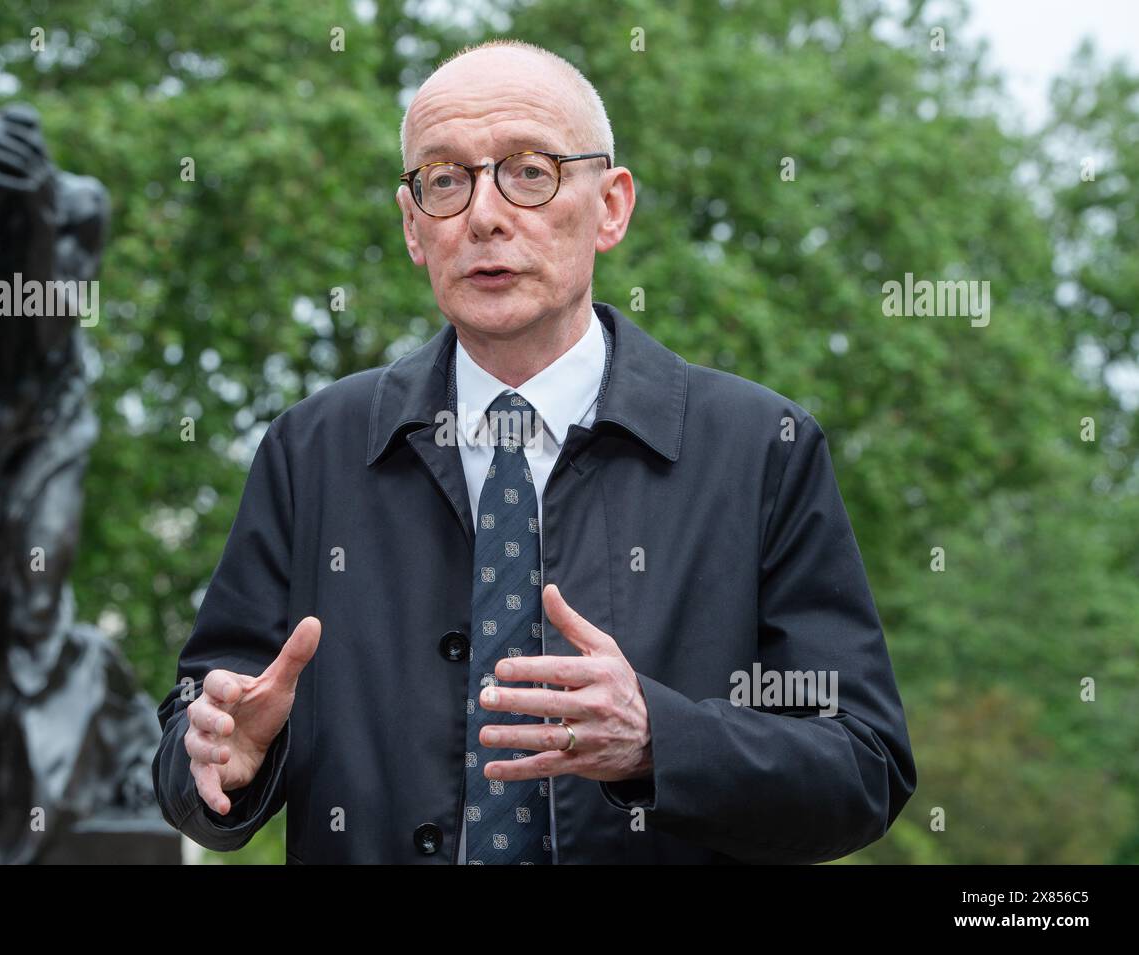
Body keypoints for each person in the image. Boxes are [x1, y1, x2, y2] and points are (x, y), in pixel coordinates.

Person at [152, 38, 915, 864]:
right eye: (445, 180)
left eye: (529, 171)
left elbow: (862, 765)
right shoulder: (313, 448)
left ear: (612, 206)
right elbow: (200, 735)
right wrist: (223, 761)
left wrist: (661, 738)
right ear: (413, 227)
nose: (483, 213)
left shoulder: (761, 448)